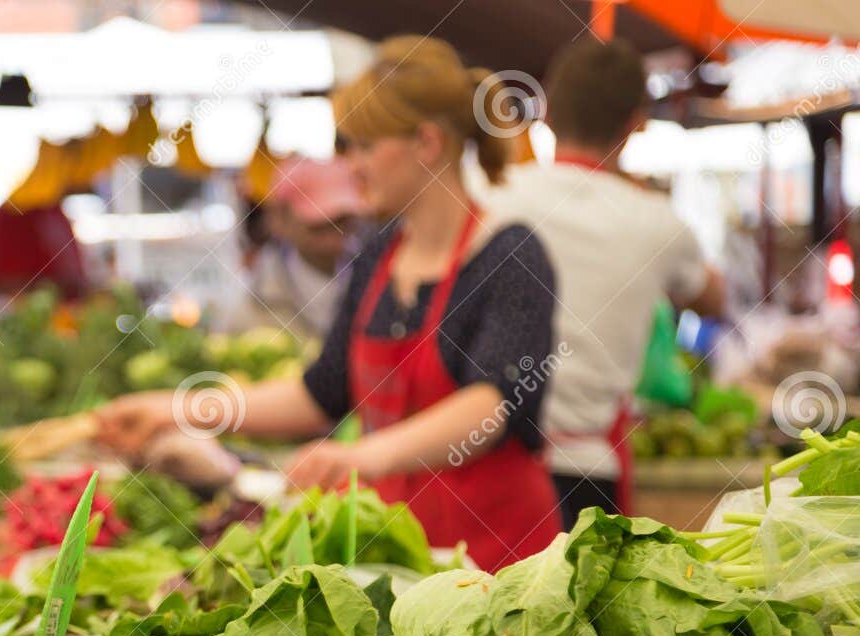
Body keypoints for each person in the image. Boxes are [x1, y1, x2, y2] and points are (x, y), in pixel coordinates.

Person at [98, 36, 561, 573]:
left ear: (427, 143)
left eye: (364, 146)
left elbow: (493, 404)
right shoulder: (378, 257)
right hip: (398, 559)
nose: (353, 165)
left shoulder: (511, 254)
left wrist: (359, 457)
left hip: (501, 560)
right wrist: (179, 409)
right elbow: (322, 393)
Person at [484, 36, 724, 527]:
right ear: (635, 125)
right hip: (586, 477)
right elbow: (714, 297)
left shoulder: (491, 196)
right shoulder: (658, 222)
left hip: (485, 462)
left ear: (546, 114)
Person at [227, 157, 370, 336]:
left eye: (343, 219)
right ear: (279, 219)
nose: (334, 230)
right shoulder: (250, 308)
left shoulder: (380, 281)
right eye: (319, 222)